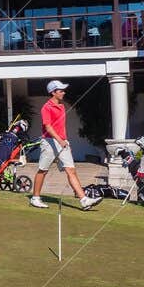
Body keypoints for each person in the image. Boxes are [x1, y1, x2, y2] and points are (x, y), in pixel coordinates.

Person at [29, 80, 95, 210]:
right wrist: (59, 140)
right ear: (53, 92)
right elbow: (48, 127)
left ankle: (84, 200)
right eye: (61, 91)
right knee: (43, 170)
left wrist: (64, 140)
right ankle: (35, 198)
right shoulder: (46, 108)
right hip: (49, 142)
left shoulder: (61, 106)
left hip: (63, 142)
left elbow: (60, 127)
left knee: (71, 170)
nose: (64, 93)